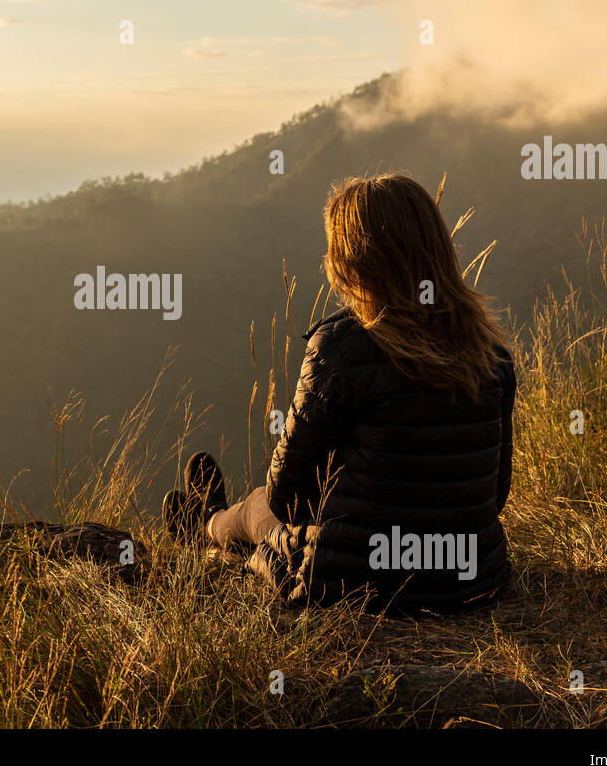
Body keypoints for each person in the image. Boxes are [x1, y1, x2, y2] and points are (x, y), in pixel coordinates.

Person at [163, 172, 516, 613]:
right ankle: (208, 521)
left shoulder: (341, 348)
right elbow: (493, 495)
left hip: (361, 583)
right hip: (471, 579)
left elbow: (285, 498)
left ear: (354, 261)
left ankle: (206, 524)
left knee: (256, 507)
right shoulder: (492, 355)